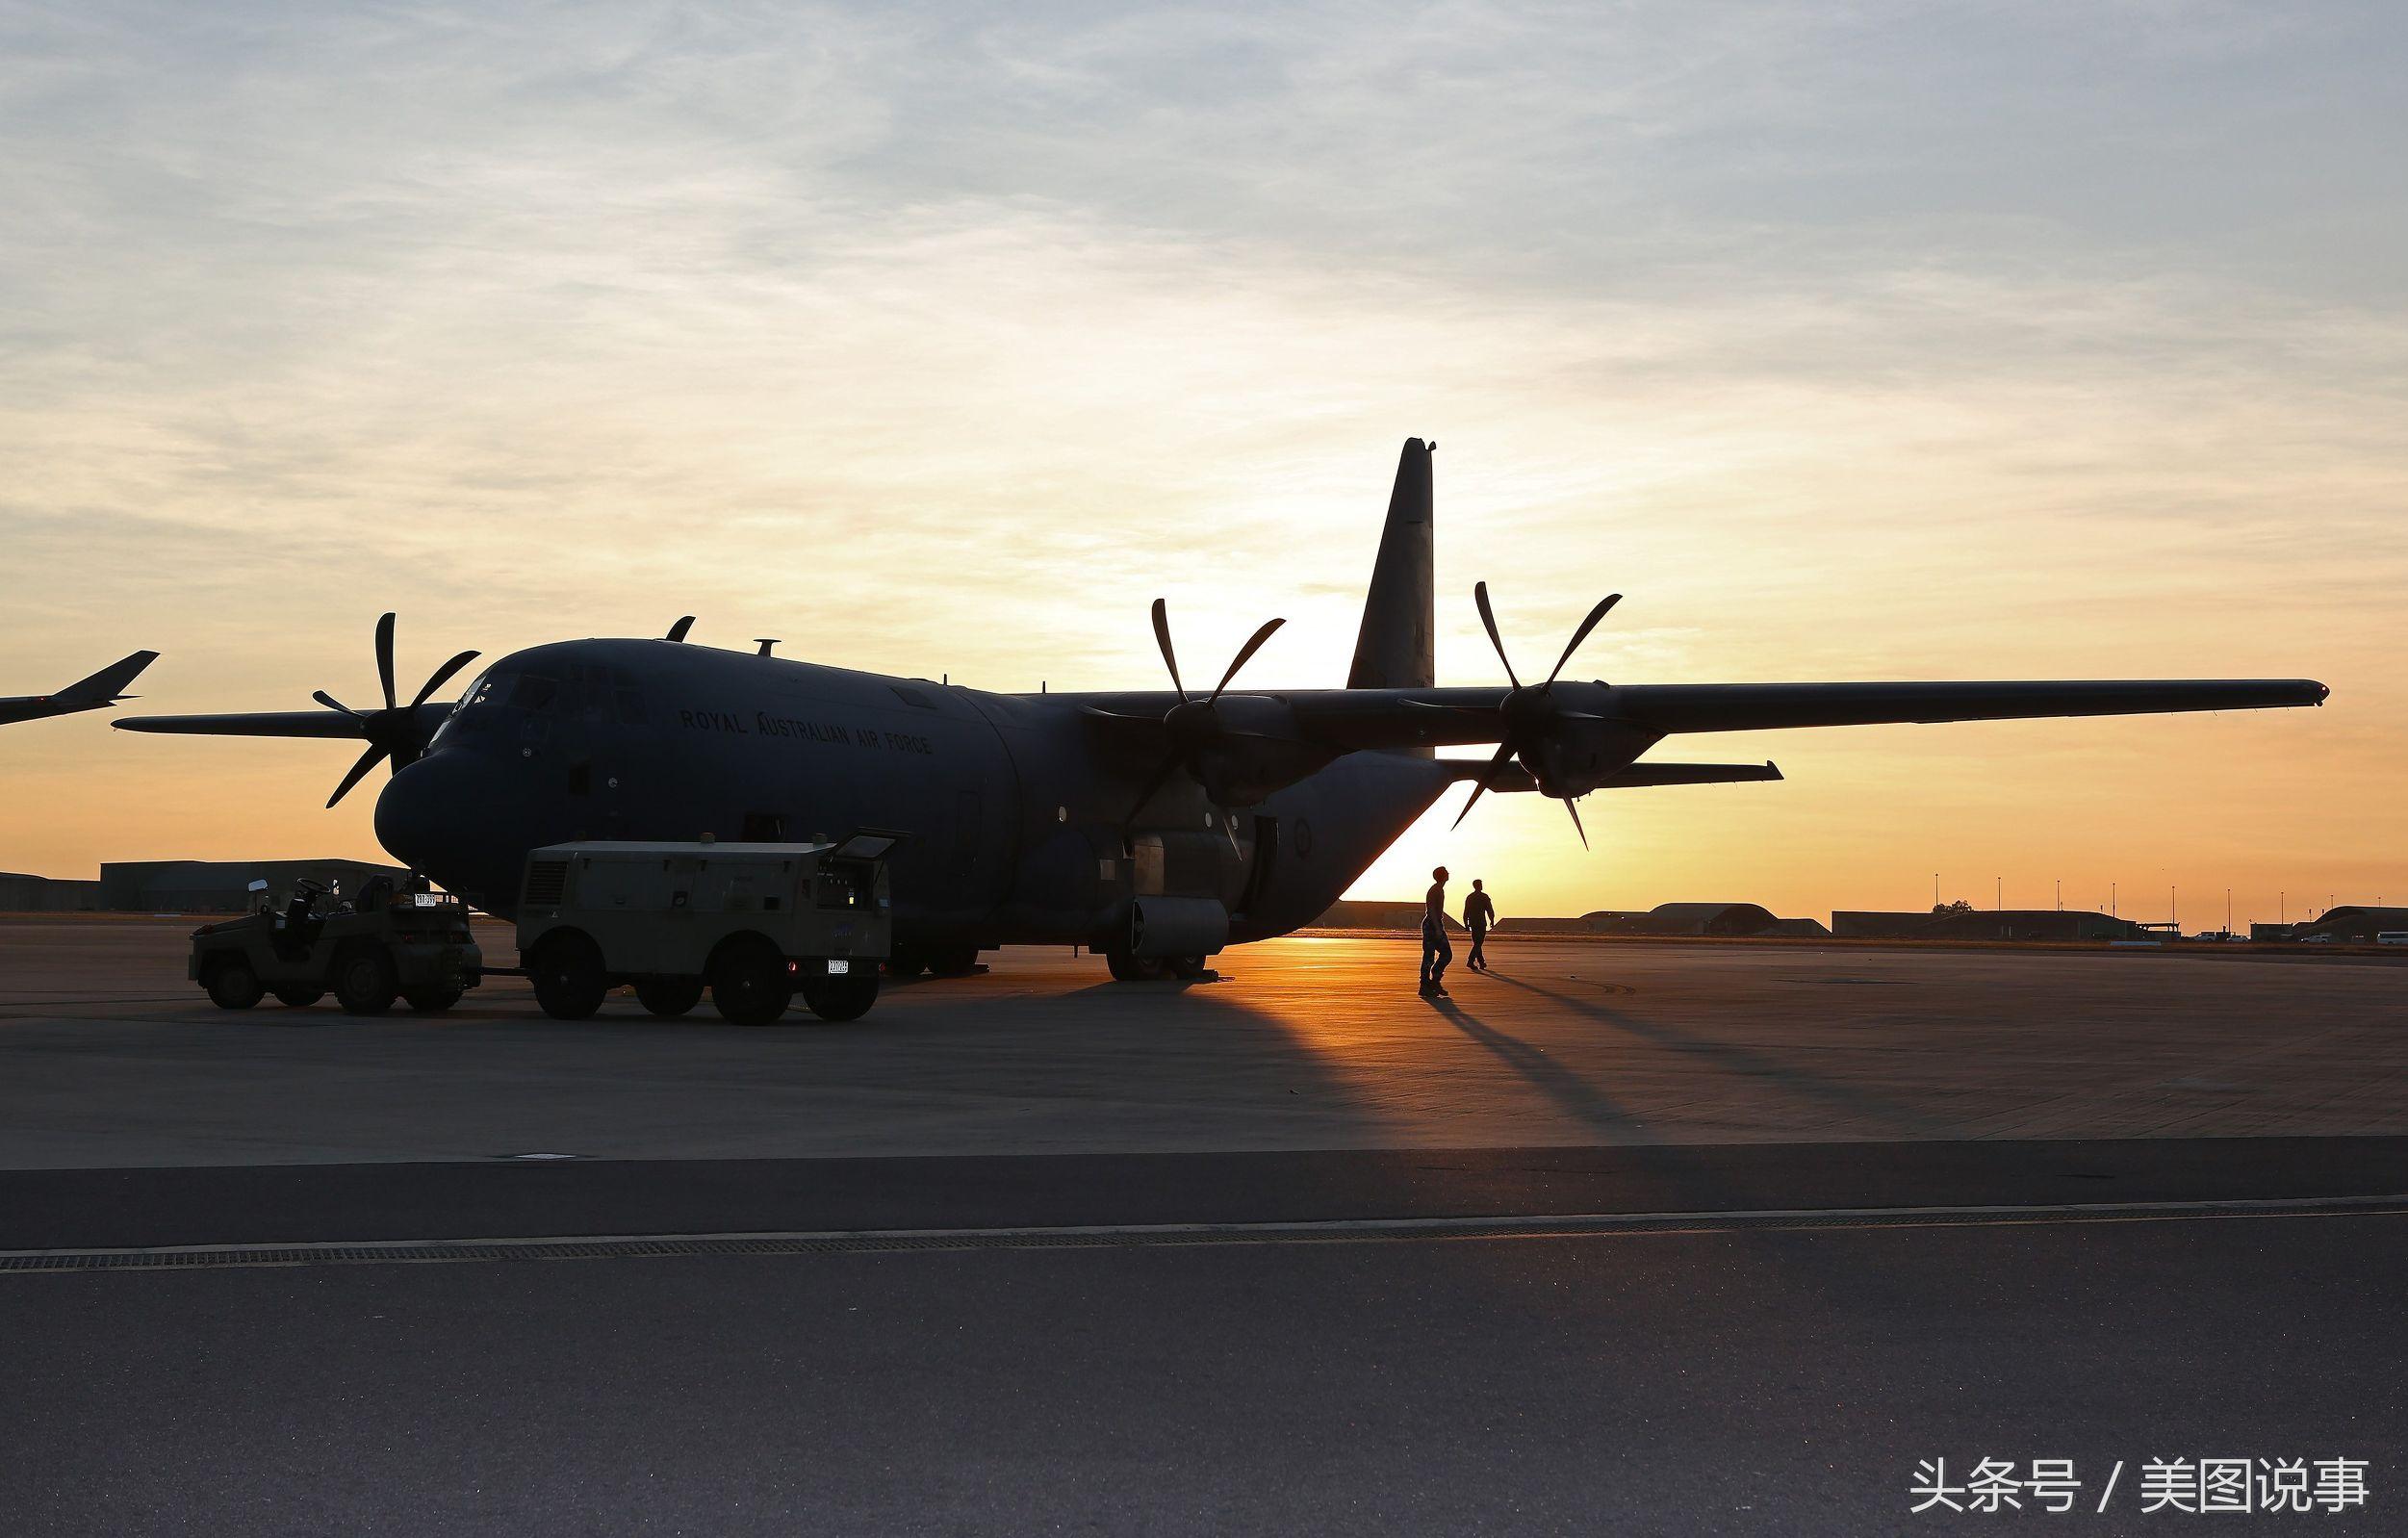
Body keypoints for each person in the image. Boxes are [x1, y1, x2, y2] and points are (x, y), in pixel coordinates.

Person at [1419, 865, 1452, 997]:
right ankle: (1425, 985)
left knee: (1446, 954)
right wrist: (1437, 928)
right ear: (1443, 876)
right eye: (1446, 873)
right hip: (1431, 925)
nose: (1448, 874)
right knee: (1429, 956)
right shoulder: (1435, 890)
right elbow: (1431, 909)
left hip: (1435, 924)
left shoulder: (1439, 889)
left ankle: (1434, 981)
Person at [1463, 879, 1496, 971]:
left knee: (1477, 943)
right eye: (1481, 884)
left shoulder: (1470, 897)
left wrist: (1466, 924)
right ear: (1479, 886)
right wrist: (1492, 920)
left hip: (1473, 923)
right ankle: (1470, 960)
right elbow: (1489, 909)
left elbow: (1466, 912)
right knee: (1478, 943)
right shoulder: (1484, 897)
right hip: (1481, 923)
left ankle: (1481, 963)